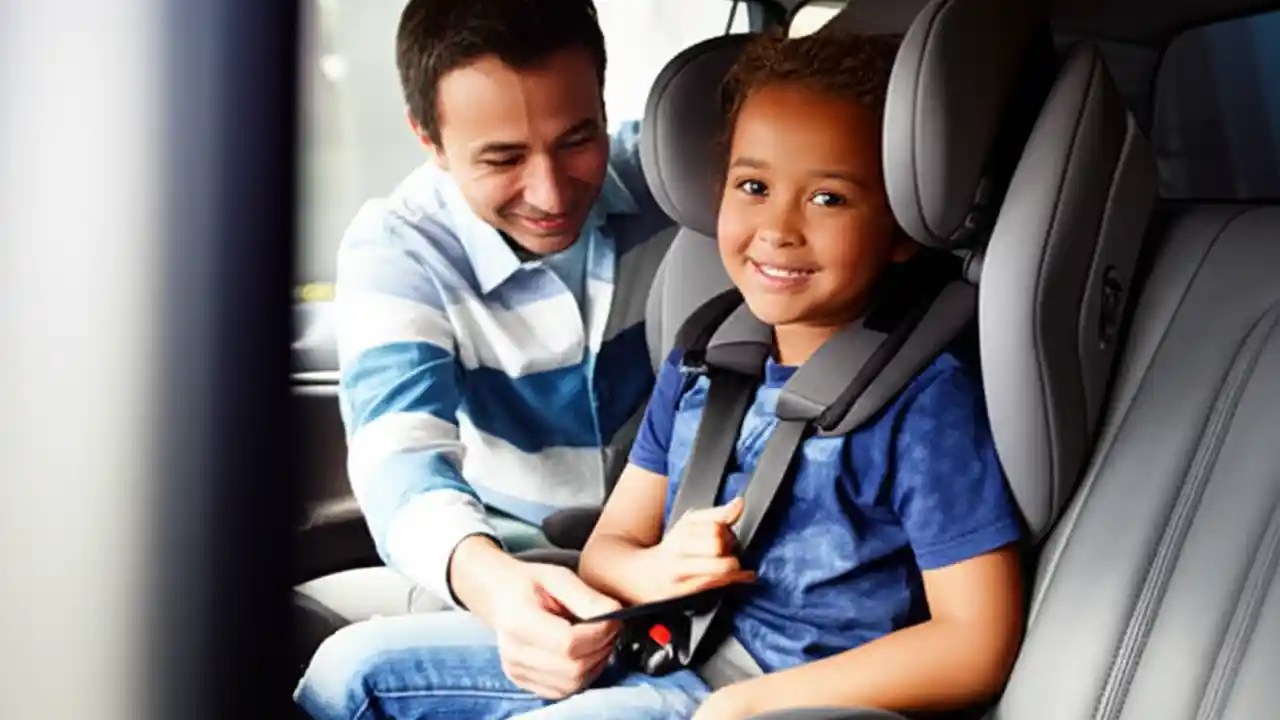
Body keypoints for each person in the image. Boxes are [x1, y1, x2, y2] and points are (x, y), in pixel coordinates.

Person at [296, 30, 1026, 720]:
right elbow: (611, 547)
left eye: (828, 197)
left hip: (773, 693)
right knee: (350, 672)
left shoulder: (925, 403)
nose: (778, 228)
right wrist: (652, 573)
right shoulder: (704, 357)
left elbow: (975, 643)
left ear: (901, 225)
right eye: (752, 187)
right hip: (652, 641)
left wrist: (746, 706)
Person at [297, 0, 676, 704]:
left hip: (676, 573)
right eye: (502, 158)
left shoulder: (680, 192)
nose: (551, 191)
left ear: (602, 99)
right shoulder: (400, 248)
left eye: (576, 139)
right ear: (428, 139)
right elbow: (398, 455)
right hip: (512, 563)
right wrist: (497, 588)